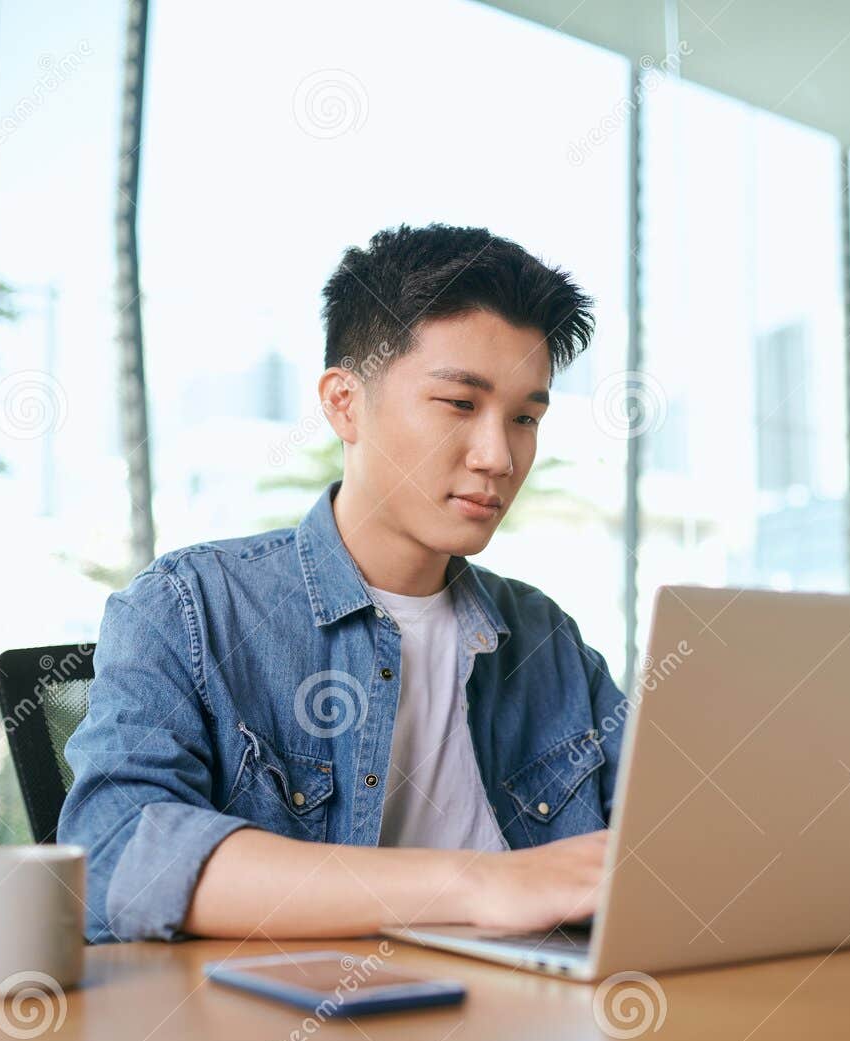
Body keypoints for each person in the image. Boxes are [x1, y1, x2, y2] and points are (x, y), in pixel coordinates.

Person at [58, 224, 628, 943]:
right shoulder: (191, 607)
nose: (498, 455)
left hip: (534, 1029)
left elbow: (674, 841)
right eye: (460, 404)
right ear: (344, 402)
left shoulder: (544, 637)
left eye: (525, 418)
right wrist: (479, 883)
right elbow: (117, 858)